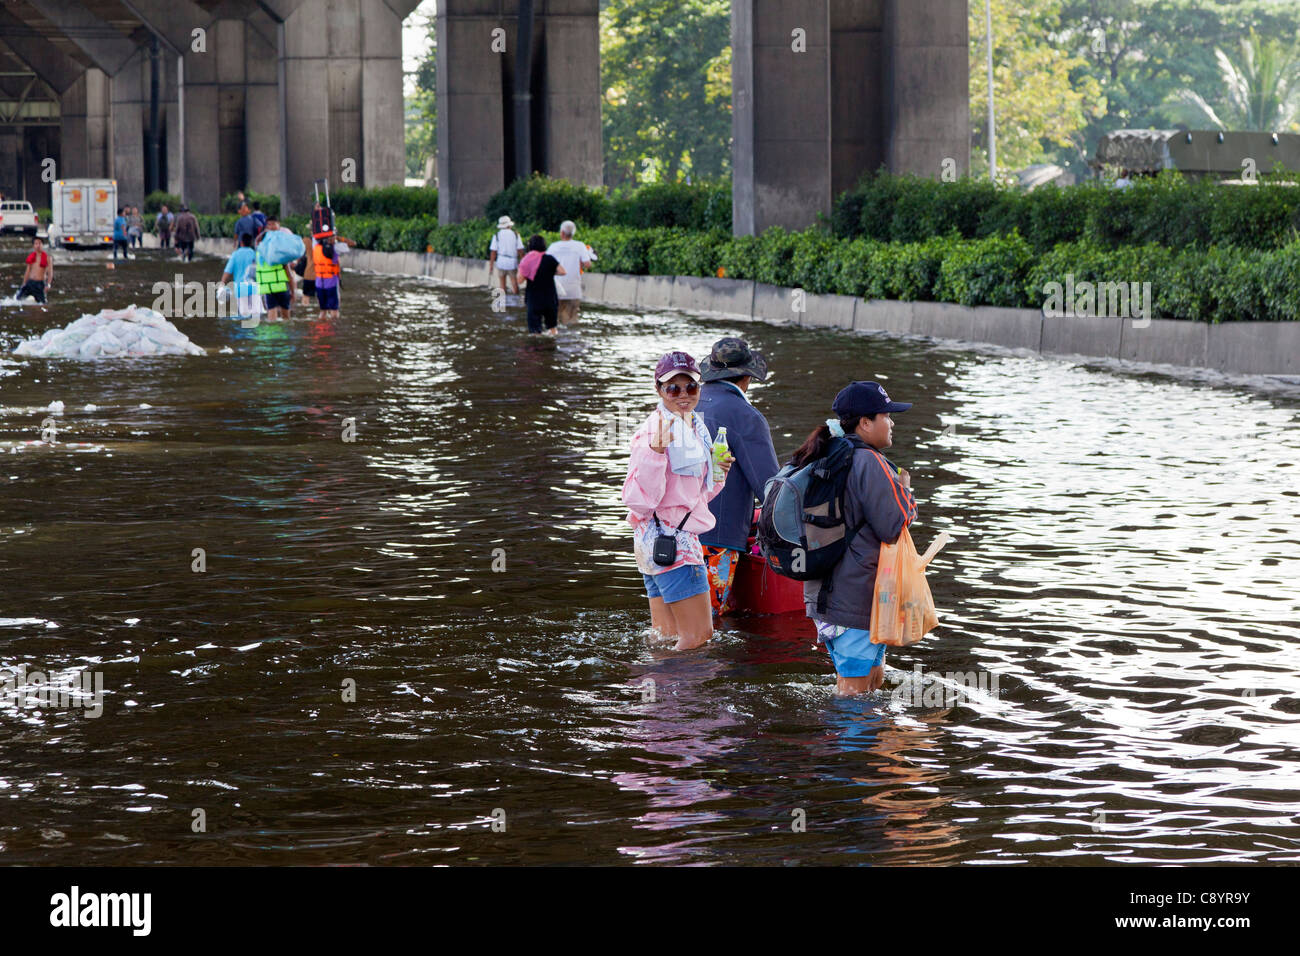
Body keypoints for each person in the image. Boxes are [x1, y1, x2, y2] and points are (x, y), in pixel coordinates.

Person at [791, 381, 916, 696]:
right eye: (886, 415)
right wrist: (905, 491)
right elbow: (894, 526)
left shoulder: (828, 453)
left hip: (827, 595)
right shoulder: (868, 462)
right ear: (865, 423)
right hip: (852, 598)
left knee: (870, 683)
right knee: (853, 694)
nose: (892, 423)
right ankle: (846, 743)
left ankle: (859, 741)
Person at [622, 351, 733, 652]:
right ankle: (680, 697)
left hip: (658, 543)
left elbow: (693, 499)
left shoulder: (695, 428)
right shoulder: (653, 433)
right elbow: (638, 502)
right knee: (698, 637)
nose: (683, 395)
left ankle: (658, 696)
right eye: (673, 388)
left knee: (665, 637)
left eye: (691, 387)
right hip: (673, 545)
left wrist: (719, 474)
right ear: (658, 389)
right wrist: (654, 454)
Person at [695, 337, 780, 615]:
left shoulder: (686, 403)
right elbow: (769, 488)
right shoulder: (745, 415)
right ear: (747, 377)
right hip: (717, 537)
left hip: (673, 533)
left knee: (676, 620)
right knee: (705, 624)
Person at [518, 234, 565, 335]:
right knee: (552, 328)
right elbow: (562, 271)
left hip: (534, 300)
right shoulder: (549, 258)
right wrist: (550, 272)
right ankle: (552, 347)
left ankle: (537, 349)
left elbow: (520, 280)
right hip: (550, 299)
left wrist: (529, 273)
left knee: (535, 332)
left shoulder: (527, 260)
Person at [546, 220, 591, 324]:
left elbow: (545, 264)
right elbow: (588, 264)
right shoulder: (580, 246)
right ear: (573, 233)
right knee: (572, 319)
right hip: (574, 289)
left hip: (557, 289)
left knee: (555, 320)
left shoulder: (553, 246)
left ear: (561, 232)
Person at [253, 214, 295, 320]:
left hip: (270, 288)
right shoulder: (278, 251)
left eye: (273, 224)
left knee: (272, 318)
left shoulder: (260, 253)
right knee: (286, 318)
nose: (271, 227)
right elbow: (289, 274)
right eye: (269, 225)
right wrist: (293, 291)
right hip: (280, 287)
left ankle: (273, 336)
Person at [219, 232, 264, 322]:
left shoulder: (235, 255)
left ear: (241, 242)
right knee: (257, 315)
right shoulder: (255, 254)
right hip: (255, 288)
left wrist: (221, 285)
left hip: (240, 289)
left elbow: (227, 272)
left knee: (244, 316)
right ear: (251, 243)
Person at [488, 215, 524, 295]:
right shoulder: (515, 234)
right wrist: (522, 262)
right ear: (509, 225)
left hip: (501, 261)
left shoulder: (497, 235)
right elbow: (520, 250)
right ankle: (515, 300)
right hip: (512, 262)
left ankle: (503, 302)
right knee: (514, 283)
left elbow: (493, 252)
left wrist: (491, 266)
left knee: (502, 284)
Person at [312, 231, 343, 320]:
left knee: (323, 311)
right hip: (331, 283)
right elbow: (352, 243)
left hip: (319, 284)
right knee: (334, 311)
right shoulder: (335, 249)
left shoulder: (315, 248)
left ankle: (322, 329)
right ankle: (333, 331)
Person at [18, 236, 53, 303]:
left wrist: (48, 284)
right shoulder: (31, 256)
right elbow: (27, 271)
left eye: (40, 243)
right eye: (36, 244)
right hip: (30, 282)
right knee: (18, 299)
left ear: (43, 245)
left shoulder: (47, 257)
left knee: (42, 303)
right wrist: (24, 283)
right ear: (33, 245)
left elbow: (50, 272)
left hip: (39, 283)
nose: (38, 246)